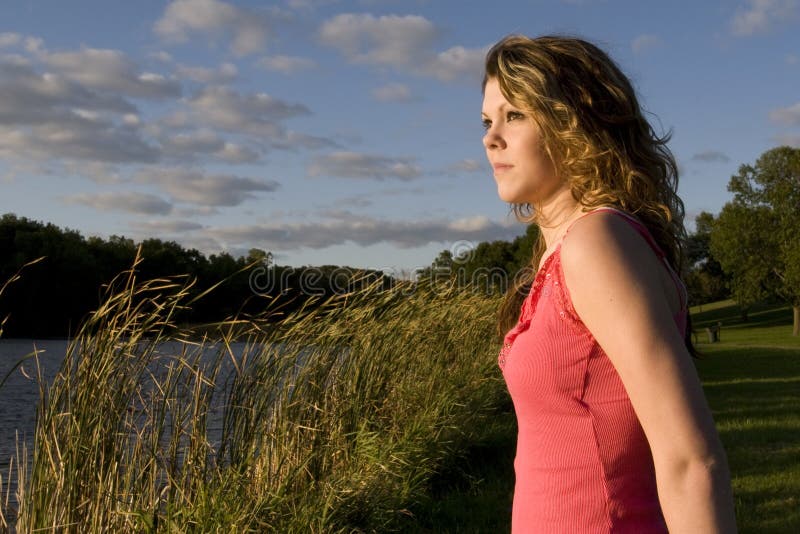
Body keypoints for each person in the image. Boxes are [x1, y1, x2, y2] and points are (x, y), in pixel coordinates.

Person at [481, 35, 736, 533]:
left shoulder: (597, 243)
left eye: (515, 115)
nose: (492, 138)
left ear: (574, 122)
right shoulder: (566, 251)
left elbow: (690, 460)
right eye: (487, 121)